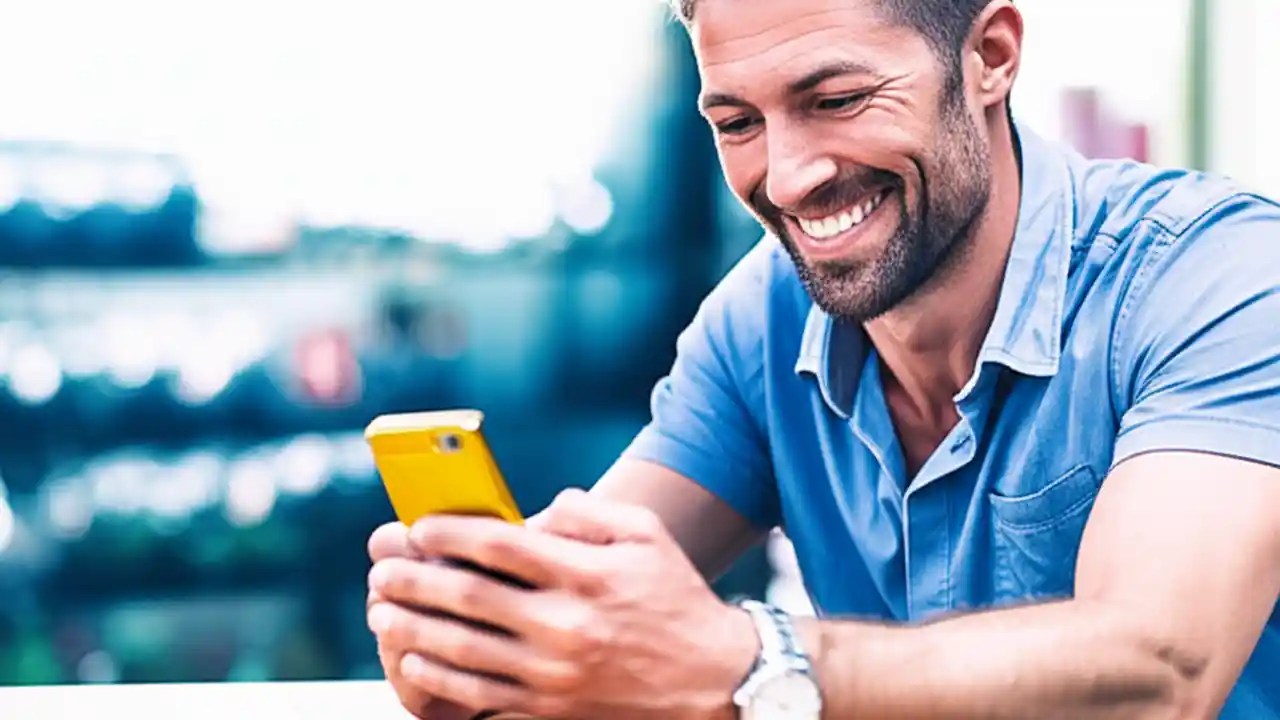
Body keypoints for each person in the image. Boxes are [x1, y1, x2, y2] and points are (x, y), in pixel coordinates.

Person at [365, 0, 1280, 717]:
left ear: (991, 55)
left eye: (837, 100)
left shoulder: (1217, 277)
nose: (791, 175)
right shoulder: (762, 317)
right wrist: (493, 645)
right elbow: (590, 617)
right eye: (737, 123)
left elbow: (1160, 672)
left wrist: (757, 666)